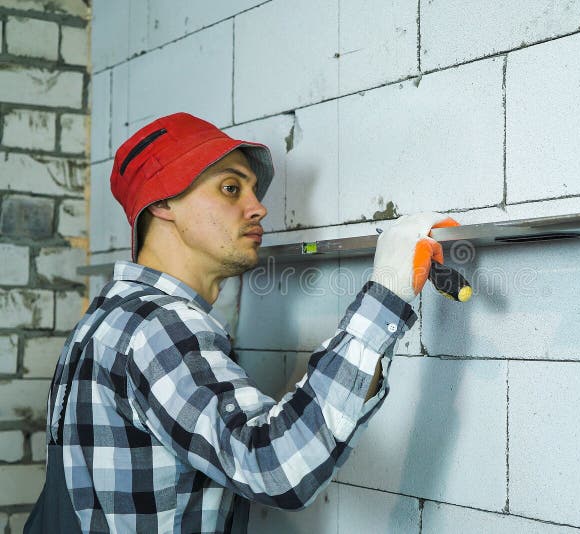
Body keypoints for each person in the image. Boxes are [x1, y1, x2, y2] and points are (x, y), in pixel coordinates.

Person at [25, 112, 458, 533]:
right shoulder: (157, 329)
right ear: (163, 204)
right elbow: (276, 468)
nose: (258, 209)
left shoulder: (109, 318)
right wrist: (386, 292)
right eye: (231, 188)